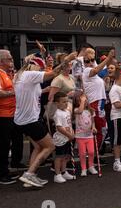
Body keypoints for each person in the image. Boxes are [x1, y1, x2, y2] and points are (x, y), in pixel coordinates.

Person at [15, 52, 77, 188]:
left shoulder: (19, 76)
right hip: (30, 120)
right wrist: (67, 60)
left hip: (21, 120)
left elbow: (31, 92)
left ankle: (30, 175)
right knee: (50, 146)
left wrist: (45, 90)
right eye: (40, 69)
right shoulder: (30, 74)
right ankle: (29, 174)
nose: (41, 72)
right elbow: (54, 73)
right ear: (35, 67)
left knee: (38, 146)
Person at [0, 50, 25, 185]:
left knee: (10, 141)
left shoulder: (5, 73)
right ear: (2, 61)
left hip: (10, 113)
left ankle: (7, 169)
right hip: (0, 114)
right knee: (2, 145)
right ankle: (0, 175)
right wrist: (15, 92)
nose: (12, 60)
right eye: (9, 59)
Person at [82, 49, 115, 165]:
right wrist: (108, 58)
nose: (90, 62)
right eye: (87, 61)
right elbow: (96, 69)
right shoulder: (86, 71)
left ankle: (95, 154)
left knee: (102, 130)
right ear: (84, 63)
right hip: (94, 103)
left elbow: (101, 68)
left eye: (92, 60)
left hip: (100, 102)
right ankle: (92, 155)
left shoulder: (92, 66)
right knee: (99, 130)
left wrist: (109, 58)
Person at [52, 92, 76, 184]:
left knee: (66, 156)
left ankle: (64, 171)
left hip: (67, 138)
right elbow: (59, 127)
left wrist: (72, 132)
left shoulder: (66, 111)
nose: (66, 103)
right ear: (57, 103)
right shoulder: (58, 113)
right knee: (59, 156)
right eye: (63, 102)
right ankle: (57, 174)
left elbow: (69, 124)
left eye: (67, 101)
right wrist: (68, 134)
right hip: (61, 139)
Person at [73, 92, 98, 177]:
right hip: (80, 136)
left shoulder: (91, 111)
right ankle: (83, 168)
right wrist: (82, 102)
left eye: (85, 100)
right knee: (82, 153)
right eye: (80, 101)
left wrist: (94, 127)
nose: (84, 101)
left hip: (89, 135)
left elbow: (93, 121)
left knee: (91, 152)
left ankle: (91, 166)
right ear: (77, 102)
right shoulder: (76, 110)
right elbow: (80, 111)